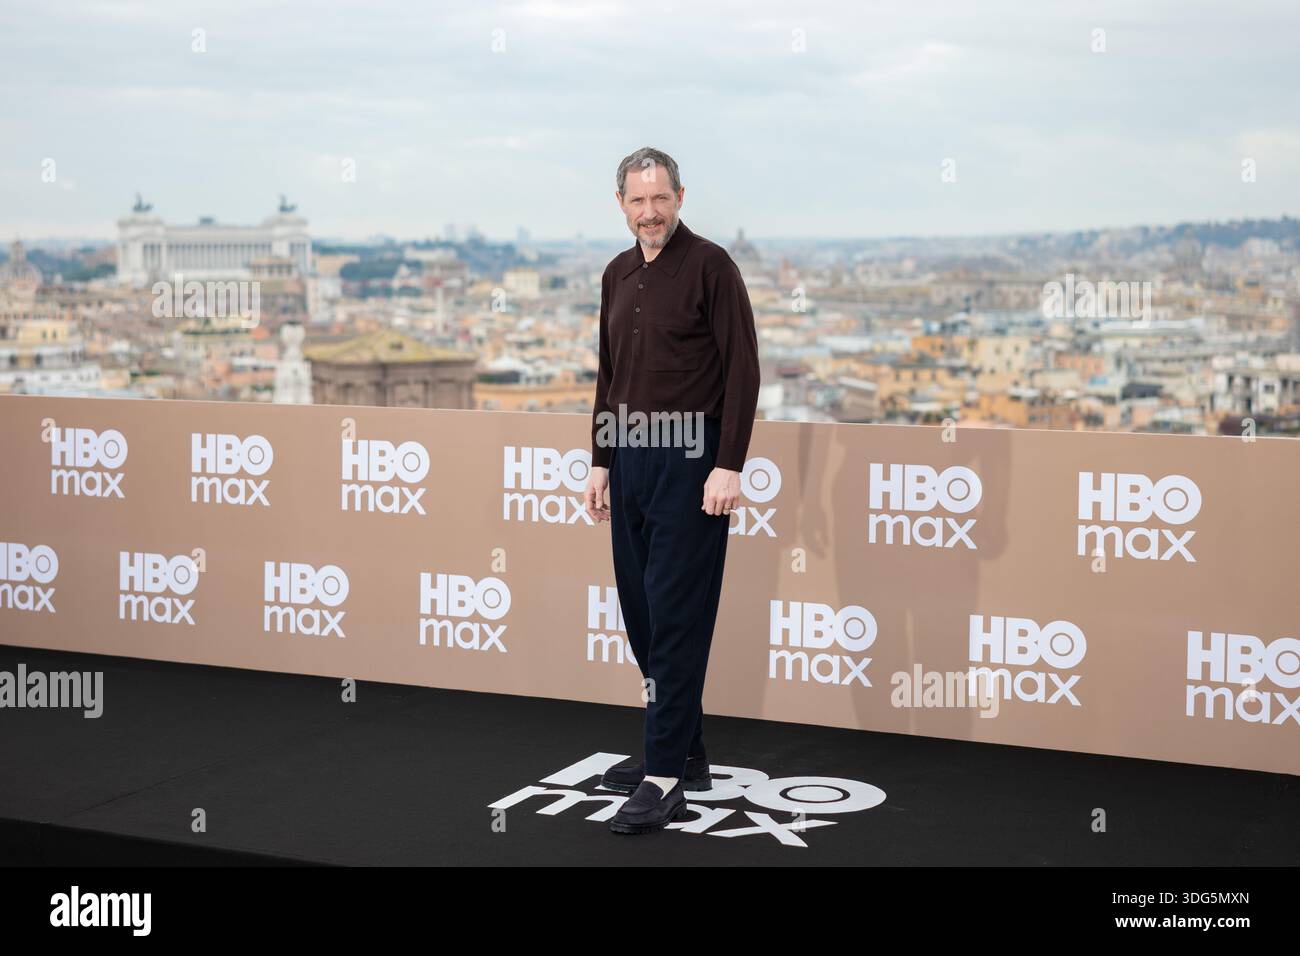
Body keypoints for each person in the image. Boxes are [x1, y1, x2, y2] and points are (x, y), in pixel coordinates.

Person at [584, 146, 761, 834]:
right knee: (643, 616)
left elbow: (742, 370)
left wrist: (729, 464)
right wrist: (600, 460)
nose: (650, 212)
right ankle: (684, 751)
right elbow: (609, 372)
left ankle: (663, 777)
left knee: (678, 616)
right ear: (622, 206)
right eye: (637, 201)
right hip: (628, 460)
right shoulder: (616, 272)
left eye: (660, 199)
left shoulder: (712, 266)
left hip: (691, 462)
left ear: (680, 198)